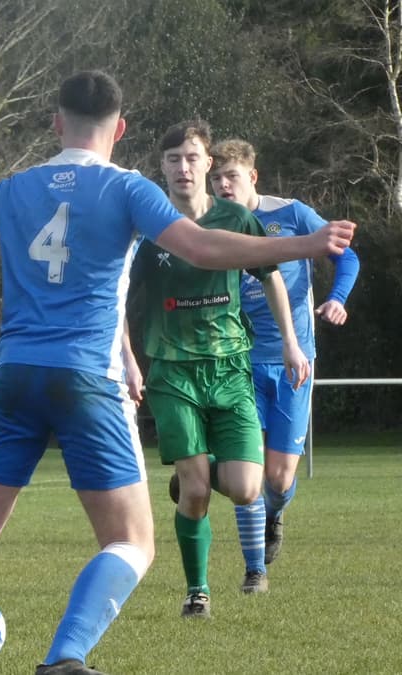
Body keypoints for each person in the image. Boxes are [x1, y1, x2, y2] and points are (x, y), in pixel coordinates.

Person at [0, 71, 355, 675]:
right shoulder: (128, 189)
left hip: (14, 377)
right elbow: (206, 249)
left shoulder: (12, 188)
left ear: (56, 123)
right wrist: (307, 244)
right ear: (122, 128)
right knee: (131, 542)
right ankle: (65, 659)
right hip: (87, 378)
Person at [130, 120, 308, 614]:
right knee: (196, 494)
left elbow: (270, 275)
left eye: (191, 158)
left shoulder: (234, 218)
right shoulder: (148, 227)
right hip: (173, 372)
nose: (182, 168)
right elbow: (117, 299)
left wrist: (292, 343)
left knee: (249, 487)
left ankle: (195, 471)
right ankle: (197, 592)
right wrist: (126, 357)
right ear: (161, 168)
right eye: (173, 160)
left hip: (231, 369)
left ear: (207, 165)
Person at [209, 138, 360, 569]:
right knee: (248, 471)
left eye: (231, 176)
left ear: (251, 176)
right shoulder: (212, 225)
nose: (223, 185)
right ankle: (254, 569)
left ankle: (274, 513)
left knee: (278, 478)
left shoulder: (290, 214)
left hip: (295, 360)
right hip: (238, 362)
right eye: (215, 178)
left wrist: (338, 298)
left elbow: (347, 257)